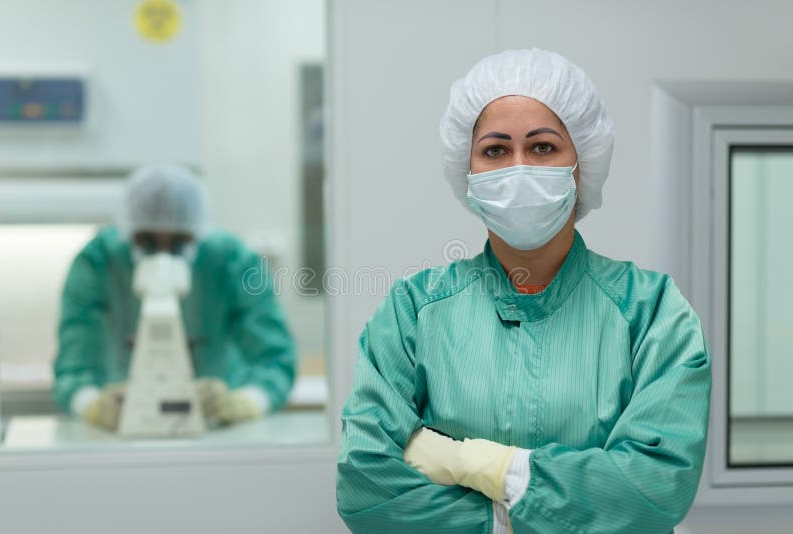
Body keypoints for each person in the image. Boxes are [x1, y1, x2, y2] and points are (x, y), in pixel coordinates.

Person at [336, 49, 711, 533]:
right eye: (495, 150)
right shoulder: (414, 311)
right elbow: (366, 487)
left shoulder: (652, 313)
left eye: (542, 148)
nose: (519, 168)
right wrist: (530, 512)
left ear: (582, 163)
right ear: (467, 173)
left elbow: (653, 489)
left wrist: (478, 466)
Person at [53, 163, 296, 431]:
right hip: (124, 427)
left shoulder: (232, 262)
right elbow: (73, 365)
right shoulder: (97, 263)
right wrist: (93, 405)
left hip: (215, 426)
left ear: (198, 233)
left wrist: (245, 402)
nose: (163, 255)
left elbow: (275, 360)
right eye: (148, 242)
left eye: (179, 243)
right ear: (127, 232)